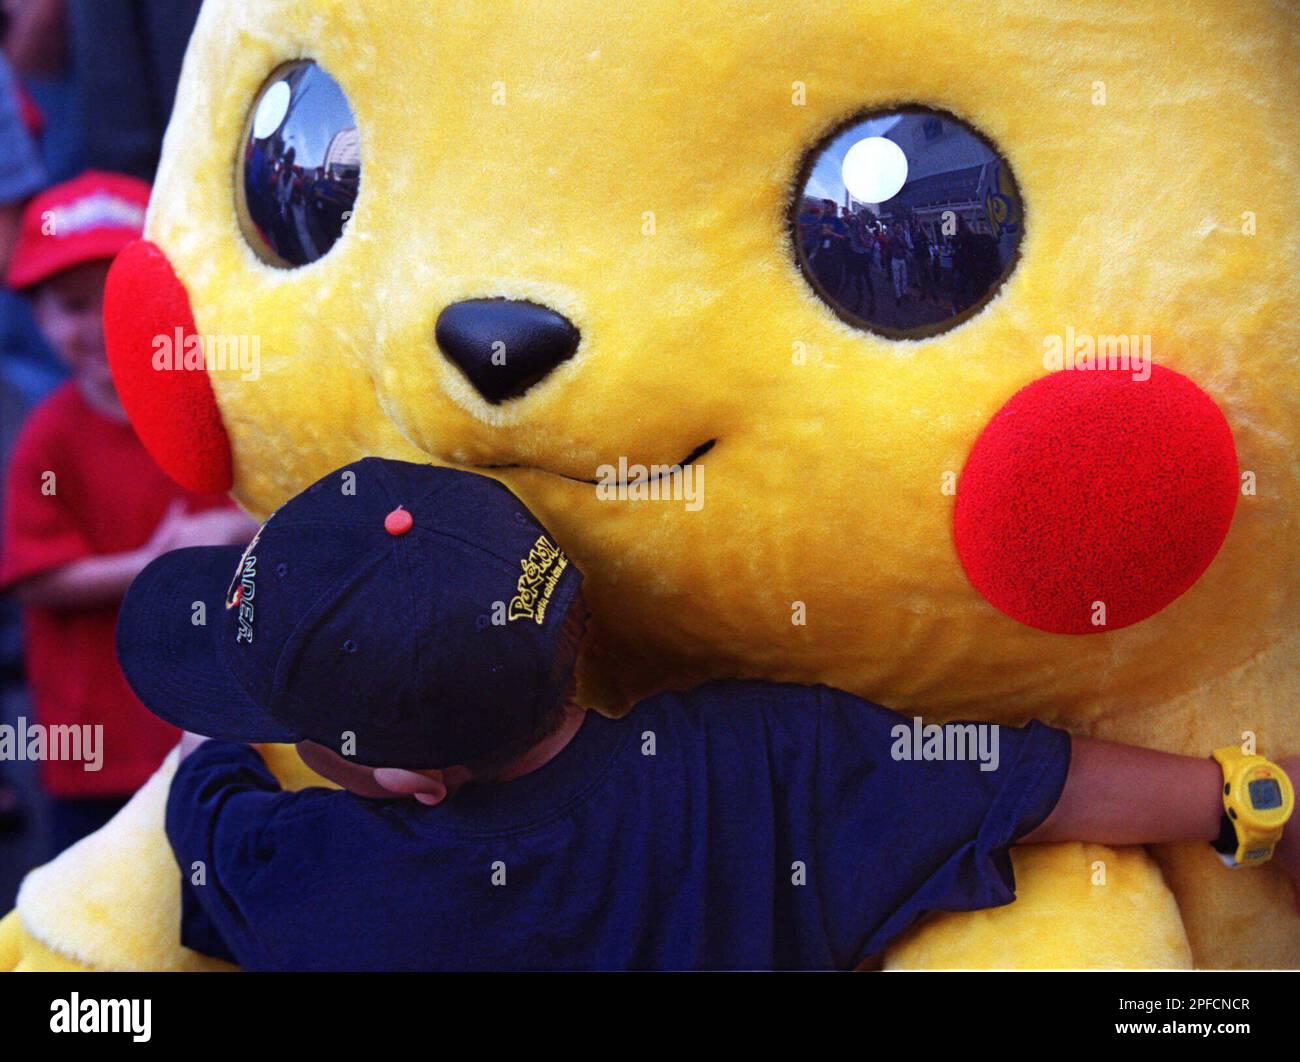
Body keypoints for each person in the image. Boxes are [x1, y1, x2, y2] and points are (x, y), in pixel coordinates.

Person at [120, 457, 1300, 971]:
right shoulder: (762, 765)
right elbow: (1022, 778)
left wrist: (220, 752)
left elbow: (206, 805)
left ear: (411, 783)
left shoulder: (315, 879)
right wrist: (1241, 799)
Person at [0, 170, 257, 853]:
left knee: (215, 906)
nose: (100, 323)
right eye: (73, 305)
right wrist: (152, 563)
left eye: (116, 296)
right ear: (39, 318)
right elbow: (34, 577)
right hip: (100, 745)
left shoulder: (214, 410)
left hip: (216, 722)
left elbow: (276, 518)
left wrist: (241, 530)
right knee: (96, 920)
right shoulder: (49, 436)